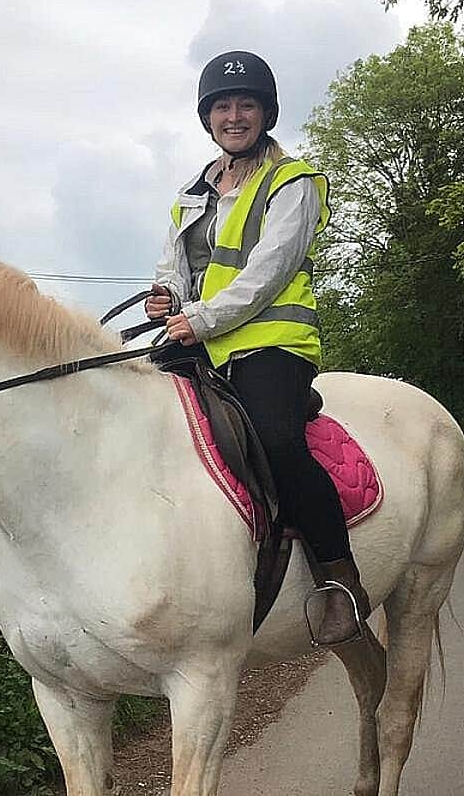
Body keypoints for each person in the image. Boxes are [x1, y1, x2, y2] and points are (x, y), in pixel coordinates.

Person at [144, 50, 369, 644]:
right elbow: (176, 267)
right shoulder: (191, 193)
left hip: (270, 342)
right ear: (207, 117)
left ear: (266, 114)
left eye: (246, 105)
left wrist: (199, 318)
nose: (234, 116)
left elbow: (269, 271)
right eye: (222, 107)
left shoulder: (294, 181)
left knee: (276, 439)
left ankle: (339, 576)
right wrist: (167, 296)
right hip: (200, 340)